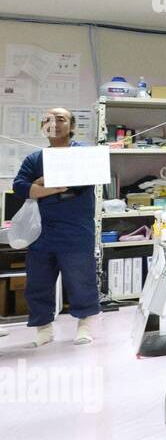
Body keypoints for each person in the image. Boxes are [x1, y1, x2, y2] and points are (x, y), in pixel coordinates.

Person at [10, 108, 99, 347]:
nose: (54, 123)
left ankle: (84, 325)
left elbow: (77, 181)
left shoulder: (83, 154)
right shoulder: (34, 159)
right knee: (38, 282)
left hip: (76, 230)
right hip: (41, 232)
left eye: (60, 119)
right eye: (48, 120)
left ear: (71, 127)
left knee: (81, 280)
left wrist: (39, 185)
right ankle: (43, 328)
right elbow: (20, 186)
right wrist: (53, 186)